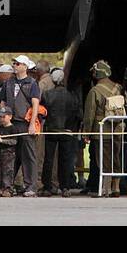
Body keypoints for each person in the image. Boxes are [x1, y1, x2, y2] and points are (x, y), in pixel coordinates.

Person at [82, 59, 127, 197]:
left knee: (103, 160)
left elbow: (89, 115)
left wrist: (86, 133)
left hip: (101, 131)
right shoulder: (118, 88)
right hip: (118, 129)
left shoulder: (94, 91)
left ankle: (105, 189)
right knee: (116, 158)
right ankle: (116, 188)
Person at [3, 55, 42, 196]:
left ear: (25, 66)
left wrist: (32, 124)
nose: (15, 65)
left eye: (18, 63)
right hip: (11, 123)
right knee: (10, 155)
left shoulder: (32, 83)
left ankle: (31, 186)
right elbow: (3, 102)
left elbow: (35, 105)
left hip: (25, 123)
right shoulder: (8, 82)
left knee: (28, 156)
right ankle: (8, 185)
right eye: (14, 63)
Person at [41, 67, 80, 196]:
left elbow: (43, 113)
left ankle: (47, 187)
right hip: (67, 131)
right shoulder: (72, 96)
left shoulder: (47, 95)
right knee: (66, 159)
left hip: (51, 130)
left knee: (49, 159)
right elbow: (78, 115)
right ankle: (65, 187)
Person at [0, 106, 17, 196]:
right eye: (0, 117)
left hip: (8, 153)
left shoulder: (13, 128)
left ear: (10, 117)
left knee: (8, 171)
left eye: (4, 117)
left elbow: (14, 141)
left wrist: (2, 140)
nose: (2, 119)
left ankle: (8, 189)